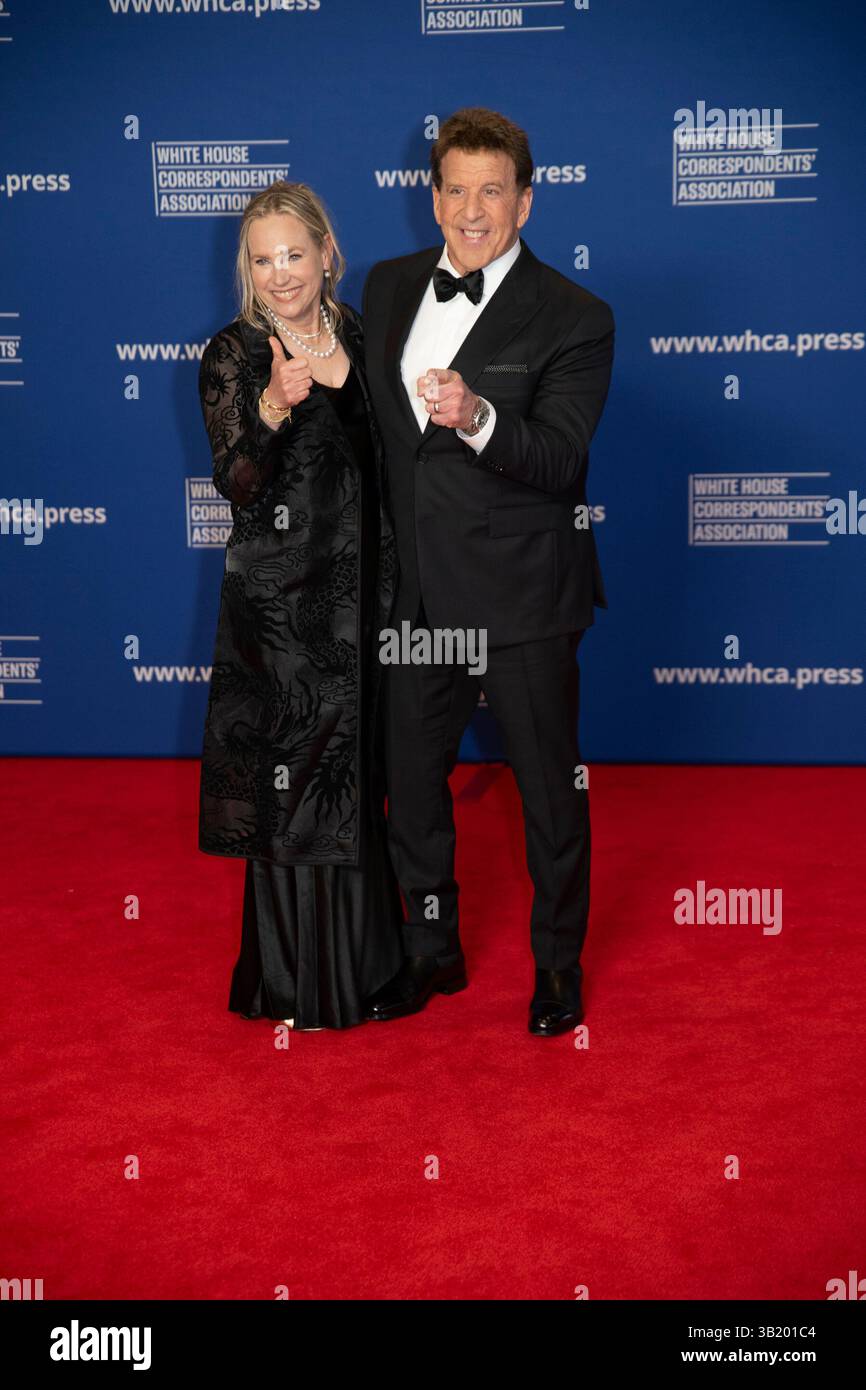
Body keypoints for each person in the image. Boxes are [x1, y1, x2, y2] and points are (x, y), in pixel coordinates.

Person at [361, 108, 615, 1035]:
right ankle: (432, 949)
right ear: (433, 197)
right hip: (417, 597)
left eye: (493, 191)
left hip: (523, 596)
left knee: (548, 794)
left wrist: (477, 417)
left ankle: (557, 968)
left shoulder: (577, 316)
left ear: (526, 202)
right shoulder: (387, 286)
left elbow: (561, 459)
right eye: (457, 190)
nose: (473, 210)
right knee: (412, 786)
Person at [197, 180, 403, 1031]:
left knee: (358, 776)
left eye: (293, 253)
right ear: (246, 270)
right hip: (281, 612)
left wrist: (349, 384)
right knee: (295, 786)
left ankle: (369, 974)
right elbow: (238, 484)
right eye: (262, 259)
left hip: (365, 597)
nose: (280, 273)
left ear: (326, 252)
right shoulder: (232, 354)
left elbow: (392, 458)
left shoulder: (360, 333)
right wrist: (275, 406)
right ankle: (295, 986)